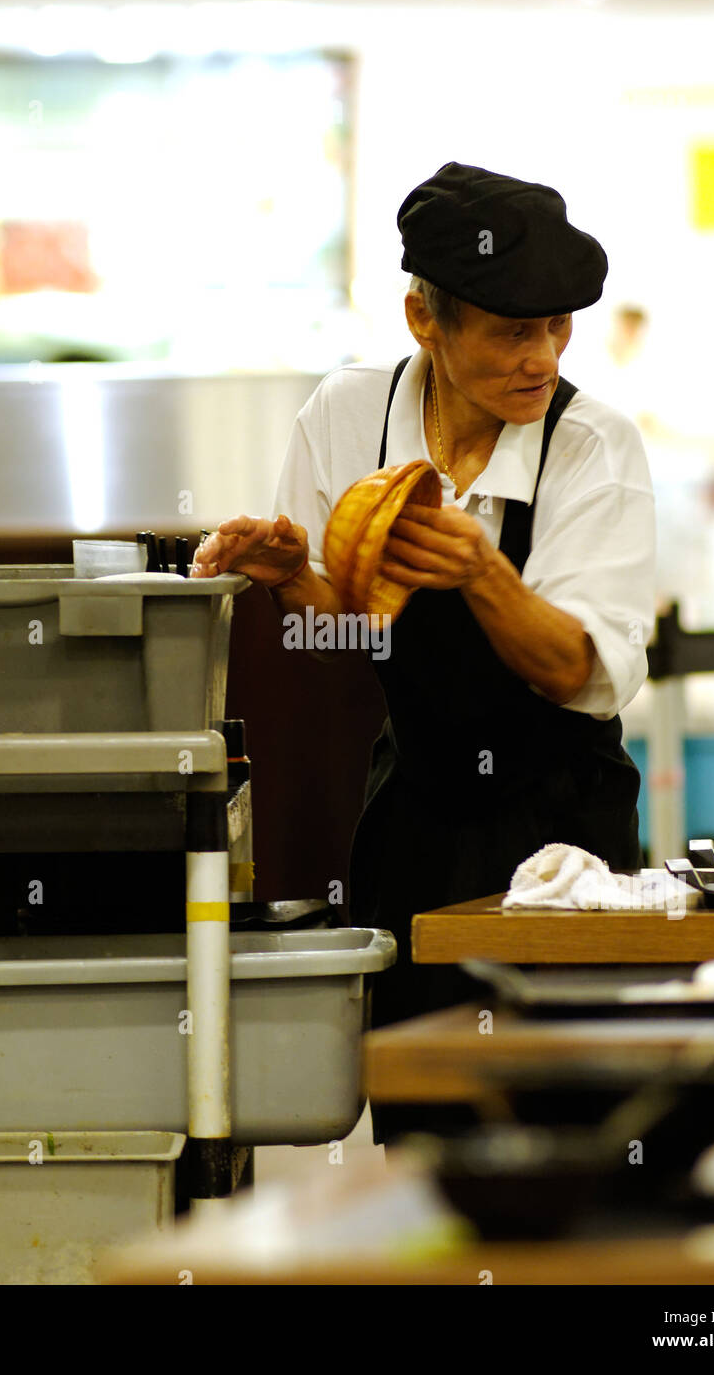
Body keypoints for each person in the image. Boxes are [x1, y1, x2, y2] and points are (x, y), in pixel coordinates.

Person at [192, 164, 656, 1128]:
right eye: (511, 331)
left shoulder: (592, 447)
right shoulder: (348, 415)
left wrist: (483, 570)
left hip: (565, 836)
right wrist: (289, 575)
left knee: (566, 1123)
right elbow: (362, 624)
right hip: (414, 820)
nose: (543, 357)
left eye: (557, 326)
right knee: (423, 1124)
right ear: (424, 320)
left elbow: (577, 669)